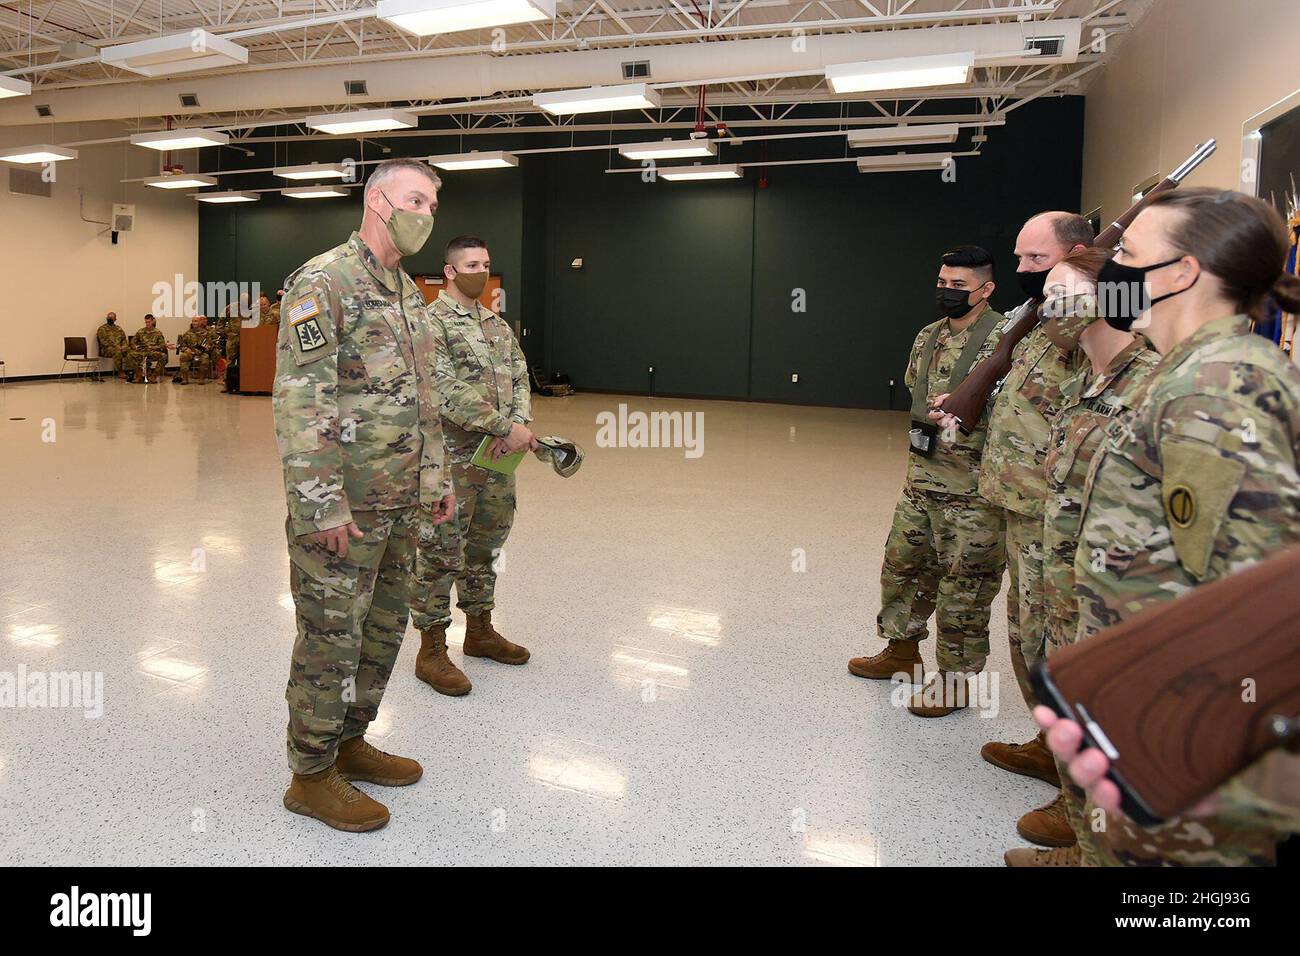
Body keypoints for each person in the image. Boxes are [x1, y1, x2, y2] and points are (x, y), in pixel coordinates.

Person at [1041, 186, 1300, 866]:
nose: (1112, 270)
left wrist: (1197, 755)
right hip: (1149, 704)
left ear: (1181, 273)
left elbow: (1255, 609)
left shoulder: (1215, 389)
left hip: (1187, 739)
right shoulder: (1183, 373)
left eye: (1126, 253)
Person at [273, 158, 456, 832]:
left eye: (433, 204)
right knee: (330, 639)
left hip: (400, 503)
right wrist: (320, 503)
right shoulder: (325, 282)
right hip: (343, 508)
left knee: (380, 633)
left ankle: (350, 741)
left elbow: (426, 399)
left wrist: (435, 478)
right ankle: (311, 773)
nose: (426, 215)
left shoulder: (408, 292)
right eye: (417, 199)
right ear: (378, 201)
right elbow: (301, 401)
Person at [1002, 247, 1161, 866]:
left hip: (1102, 593)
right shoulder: (1089, 378)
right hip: (1057, 577)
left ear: (1109, 302)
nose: (1050, 308)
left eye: (1065, 296)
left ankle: (1096, 851)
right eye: (1049, 295)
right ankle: (1080, 827)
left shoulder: (1147, 385)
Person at [932, 212, 1094, 784]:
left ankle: (1077, 777)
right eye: (1021, 259)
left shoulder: (1084, 318)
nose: (1024, 270)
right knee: (1027, 633)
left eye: (1036, 261)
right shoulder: (1033, 318)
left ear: (1076, 259)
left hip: (1053, 511)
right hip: (1012, 499)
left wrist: (1081, 281)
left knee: (1058, 637)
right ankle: (1049, 744)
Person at [847, 246, 1006, 717]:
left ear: (986, 289)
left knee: (964, 585)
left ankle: (956, 681)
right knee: (903, 566)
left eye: (959, 286)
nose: (948, 292)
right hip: (921, 479)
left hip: (973, 489)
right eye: (942, 283)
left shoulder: (1006, 339)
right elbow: (916, 387)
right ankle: (901, 652)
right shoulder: (928, 336)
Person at [409, 235, 535, 697]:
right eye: (470, 264)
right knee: (440, 551)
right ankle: (431, 649)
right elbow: (440, 387)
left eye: (485, 263)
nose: (479, 271)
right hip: (451, 463)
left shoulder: (495, 324)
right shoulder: (431, 322)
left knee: (485, 547)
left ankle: (479, 631)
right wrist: (503, 426)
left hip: (498, 460)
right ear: (448, 271)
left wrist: (518, 426)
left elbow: (520, 375)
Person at [126, 314, 170, 383]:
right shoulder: (140, 331)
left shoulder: (158, 332)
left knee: (164, 356)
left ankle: (153, 376)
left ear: (152, 322)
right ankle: (139, 375)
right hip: (142, 351)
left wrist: (154, 347)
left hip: (152, 352)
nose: (147, 324)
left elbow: (162, 345)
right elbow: (132, 342)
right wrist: (135, 347)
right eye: (146, 322)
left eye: (149, 322)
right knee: (129, 355)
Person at [175, 316, 217, 385]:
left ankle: (201, 378)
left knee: (205, 358)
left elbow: (209, 344)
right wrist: (186, 349)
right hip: (190, 352)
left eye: (196, 321)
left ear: (200, 322)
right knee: (183, 357)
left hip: (202, 352)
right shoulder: (188, 333)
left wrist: (207, 348)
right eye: (193, 321)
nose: (194, 323)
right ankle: (185, 379)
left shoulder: (206, 333)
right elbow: (181, 345)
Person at [95, 312, 128, 378]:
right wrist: (117, 347)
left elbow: (124, 339)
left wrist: (124, 346)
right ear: (106, 318)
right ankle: (120, 372)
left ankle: (137, 372)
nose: (110, 319)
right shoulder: (102, 329)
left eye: (112, 318)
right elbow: (103, 342)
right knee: (117, 352)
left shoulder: (119, 329)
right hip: (107, 349)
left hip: (120, 348)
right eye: (109, 318)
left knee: (133, 352)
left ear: (115, 319)